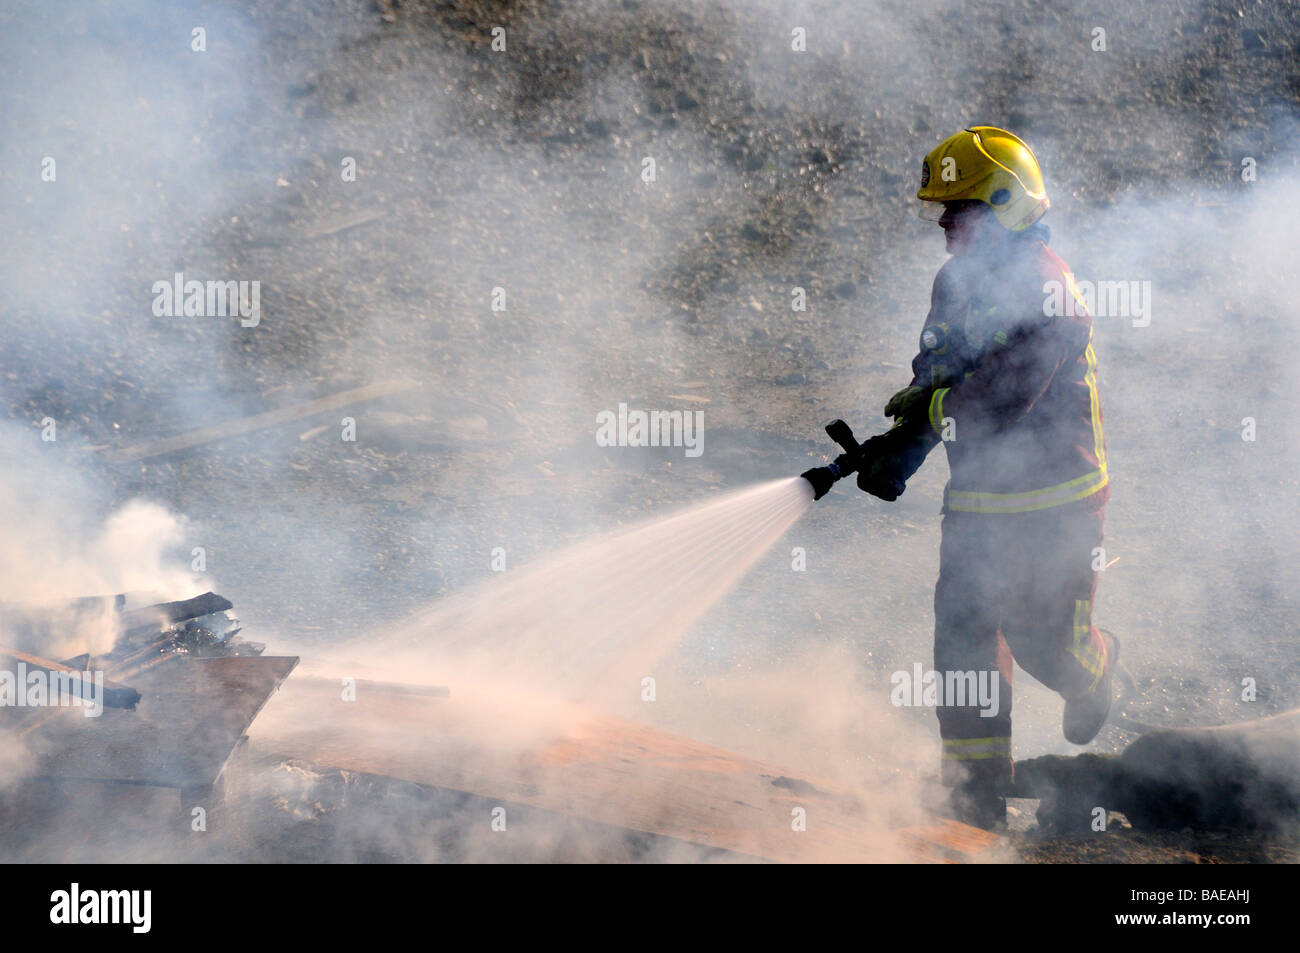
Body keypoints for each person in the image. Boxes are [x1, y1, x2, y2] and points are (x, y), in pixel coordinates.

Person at [860, 126, 1116, 829]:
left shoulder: (1049, 291)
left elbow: (1001, 401)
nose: (943, 222)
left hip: (1057, 503)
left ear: (1005, 205)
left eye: (959, 207)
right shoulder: (955, 283)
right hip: (978, 501)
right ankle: (975, 795)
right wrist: (900, 453)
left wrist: (931, 409)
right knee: (965, 634)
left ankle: (1093, 671)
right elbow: (935, 380)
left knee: (1043, 639)